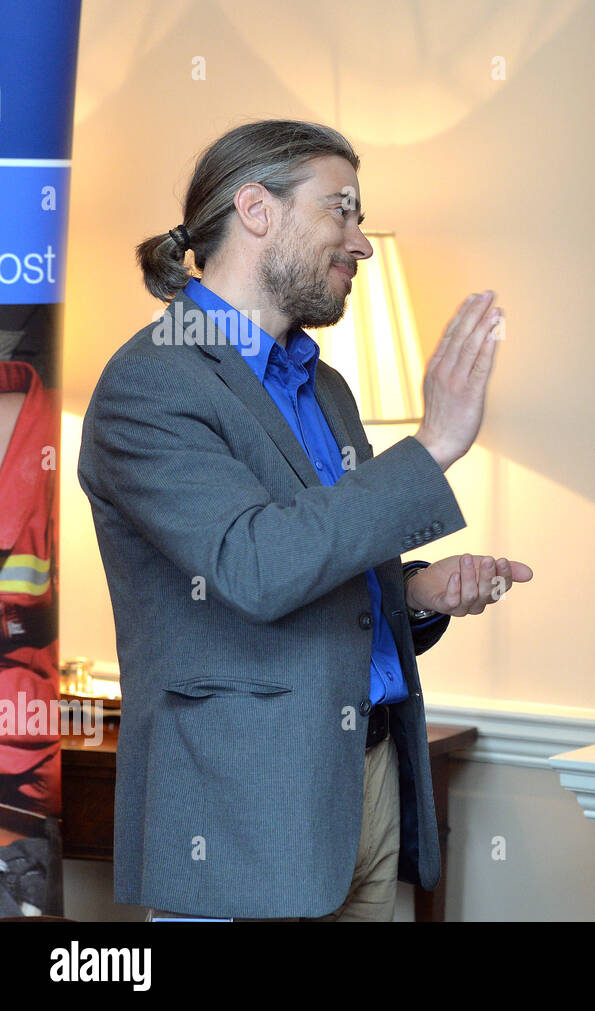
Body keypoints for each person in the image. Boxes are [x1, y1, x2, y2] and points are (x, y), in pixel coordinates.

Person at [78, 120, 532, 921]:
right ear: (256, 209)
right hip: (243, 814)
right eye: (342, 210)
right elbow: (254, 564)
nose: (359, 242)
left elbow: (324, 563)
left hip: (367, 785)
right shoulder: (148, 385)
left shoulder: (326, 387)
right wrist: (430, 447)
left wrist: (416, 591)